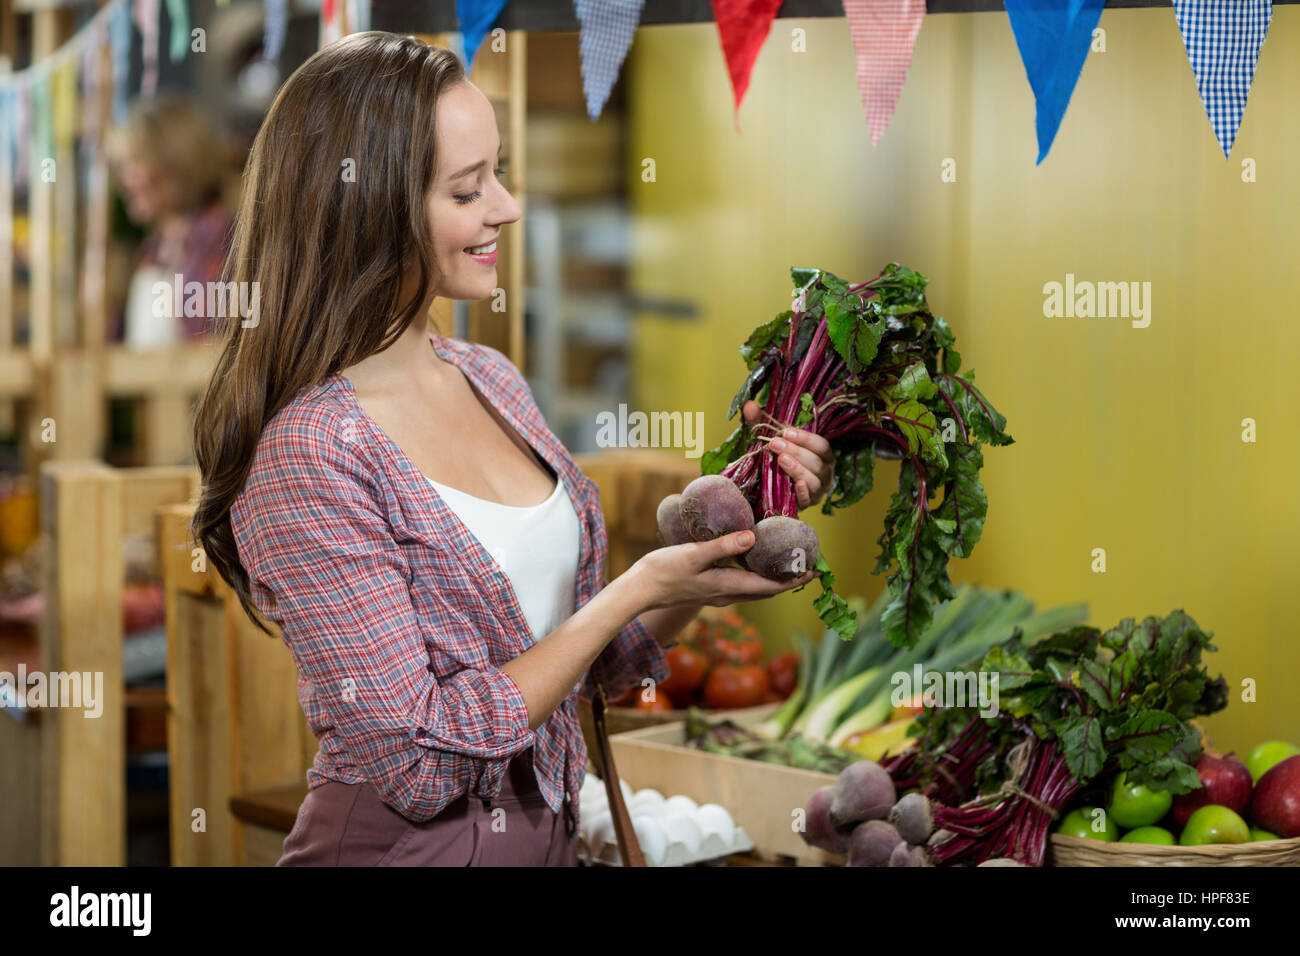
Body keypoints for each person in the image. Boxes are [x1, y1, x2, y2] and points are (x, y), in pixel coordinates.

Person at [190, 32, 836, 867]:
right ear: (370, 208)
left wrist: (706, 561)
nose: (507, 206)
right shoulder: (307, 455)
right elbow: (419, 763)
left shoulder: (489, 378)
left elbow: (568, 674)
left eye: (499, 171)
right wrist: (631, 588)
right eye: (468, 189)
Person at [108, 95, 236, 346]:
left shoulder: (225, 240)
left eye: (134, 163)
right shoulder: (153, 249)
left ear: (173, 162)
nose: (123, 180)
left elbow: (219, 347)